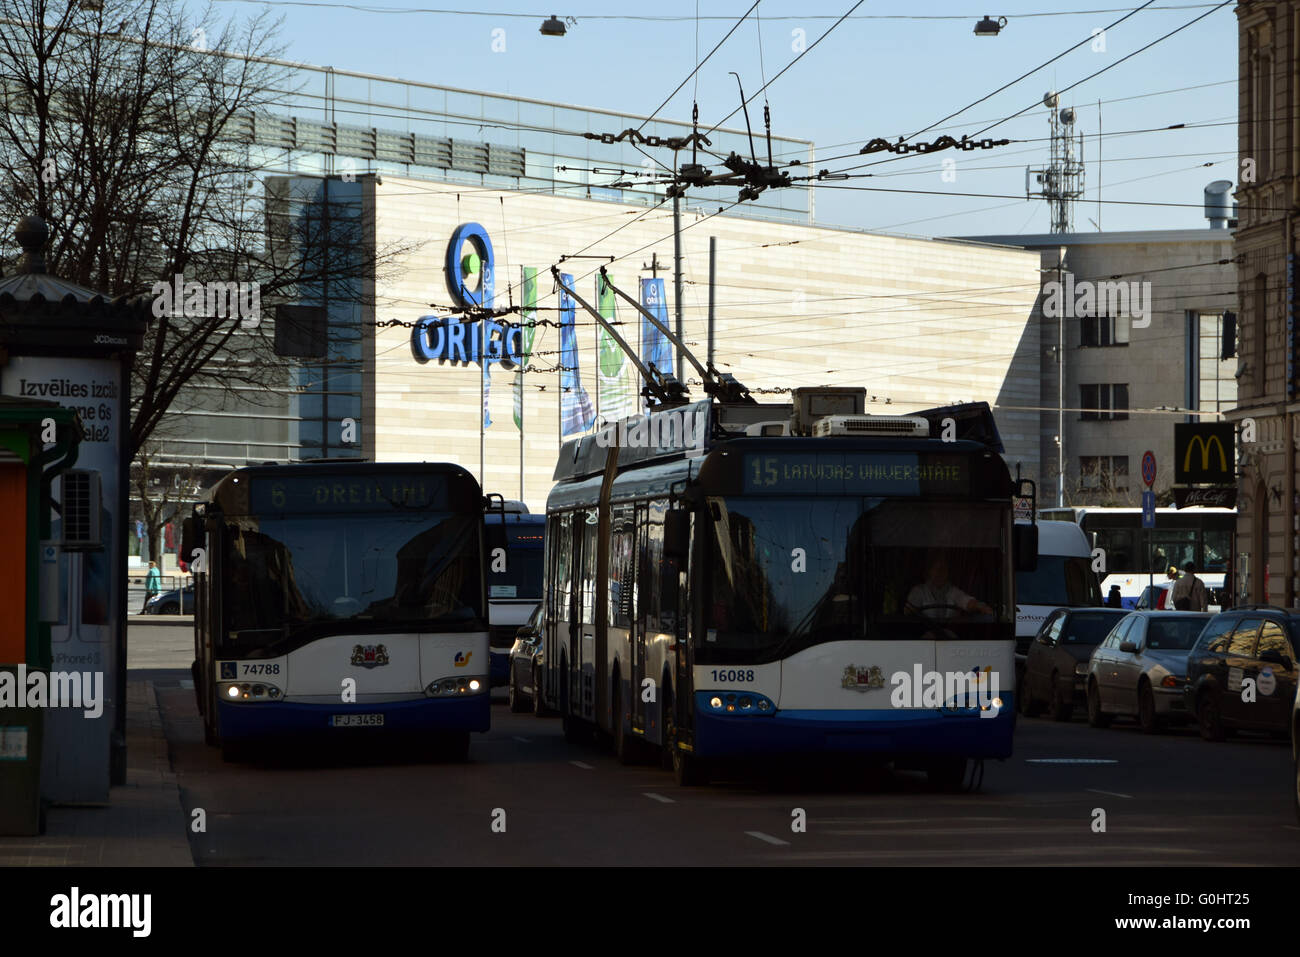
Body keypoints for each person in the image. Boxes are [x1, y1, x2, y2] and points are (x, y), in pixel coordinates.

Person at [905, 553, 993, 620]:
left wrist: (980, 606)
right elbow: (908, 612)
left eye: (943, 569)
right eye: (937, 569)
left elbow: (966, 601)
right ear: (930, 571)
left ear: (948, 572)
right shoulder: (919, 591)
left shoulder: (953, 591)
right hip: (923, 640)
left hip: (950, 638)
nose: (940, 573)